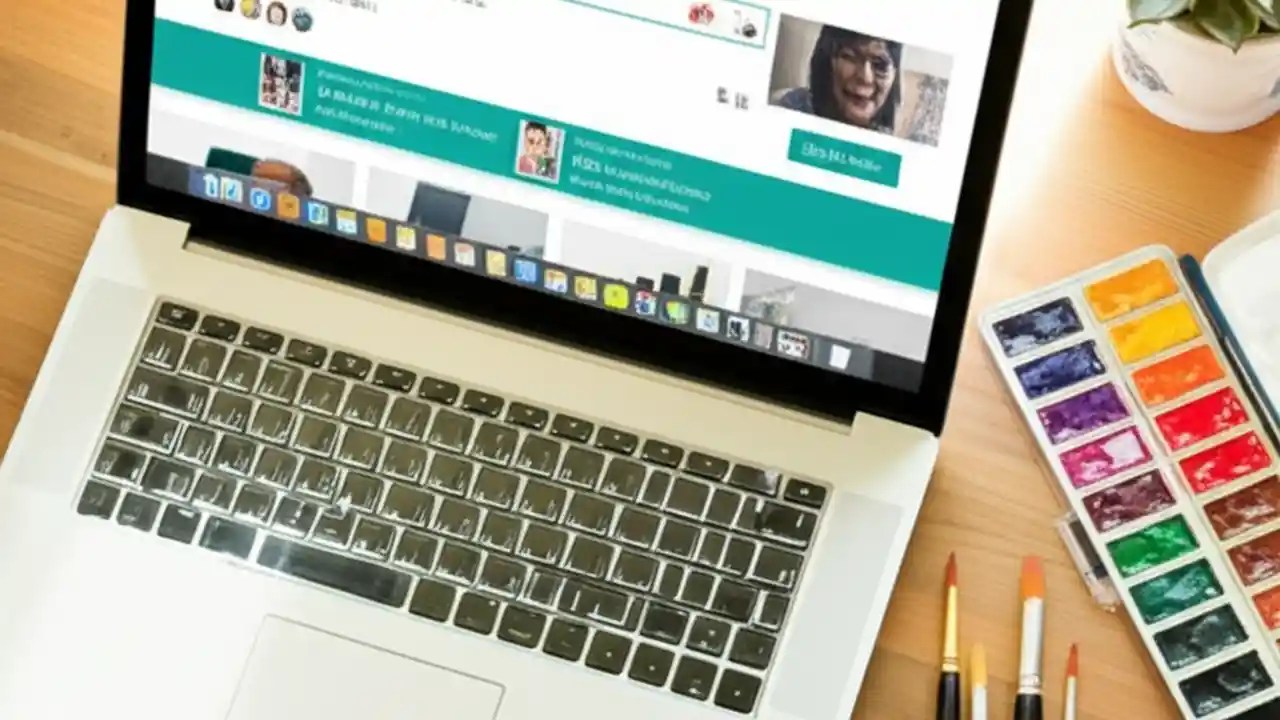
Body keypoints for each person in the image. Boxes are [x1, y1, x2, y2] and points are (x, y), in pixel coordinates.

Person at [775, 26, 902, 134]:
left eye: (879, 65)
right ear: (826, 62)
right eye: (849, 57)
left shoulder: (897, 136)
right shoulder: (791, 110)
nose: (865, 78)